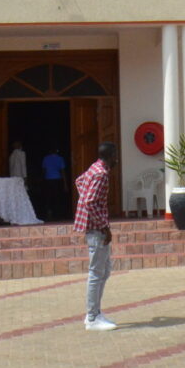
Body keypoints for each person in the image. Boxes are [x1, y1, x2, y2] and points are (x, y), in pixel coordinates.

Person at [73, 142, 116, 331]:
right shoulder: (101, 173)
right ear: (111, 155)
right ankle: (92, 317)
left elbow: (79, 181)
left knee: (104, 271)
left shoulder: (94, 168)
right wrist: (104, 227)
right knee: (96, 273)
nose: (117, 159)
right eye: (115, 155)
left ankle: (96, 311)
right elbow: (90, 202)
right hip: (96, 230)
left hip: (94, 228)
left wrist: (83, 203)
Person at [41, 148, 68, 221]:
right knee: (58, 197)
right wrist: (65, 184)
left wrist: (42, 181)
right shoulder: (60, 159)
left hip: (48, 180)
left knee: (48, 198)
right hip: (57, 180)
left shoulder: (46, 159)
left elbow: (44, 170)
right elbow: (63, 172)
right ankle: (58, 214)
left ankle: (49, 214)